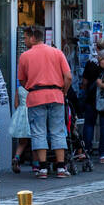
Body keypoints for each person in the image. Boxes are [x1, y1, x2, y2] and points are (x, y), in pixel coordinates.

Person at [17, 25, 73, 179]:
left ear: (33, 38)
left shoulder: (25, 56)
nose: (25, 40)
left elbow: (21, 80)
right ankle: (61, 167)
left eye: (26, 37)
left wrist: (31, 87)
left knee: (38, 131)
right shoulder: (57, 52)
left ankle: (42, 168)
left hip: (36, 96)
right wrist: (64, 91)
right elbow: (68, 76)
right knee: (58, 130)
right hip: (56, 95)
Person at [10, 84, 31, 172]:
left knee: (22, 142)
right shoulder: (33, 88)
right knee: (36, 139)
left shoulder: (19, 89)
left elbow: (15, 105)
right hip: (31, 112)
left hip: (21, 114)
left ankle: (16, 158)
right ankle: (36, 165)